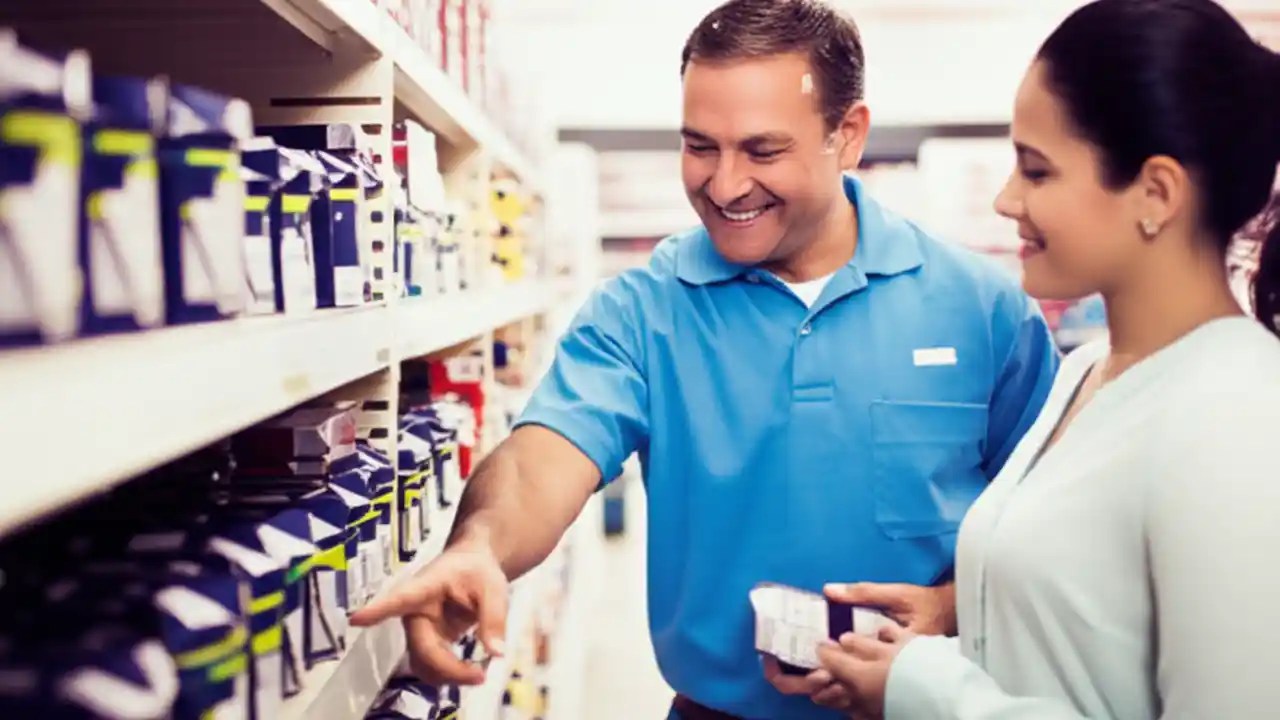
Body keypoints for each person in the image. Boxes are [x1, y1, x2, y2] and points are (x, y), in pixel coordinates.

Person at [351, 1, 1060, 718]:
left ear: (847, 137)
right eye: (700, 146)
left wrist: (948, 607)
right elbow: (541, 462)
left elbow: (1050, 528)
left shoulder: (983, 311)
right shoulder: (643, 309)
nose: (724, 186)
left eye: (762, 151)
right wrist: (479, 547)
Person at [811, 0, 1280, 718]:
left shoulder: (1237, 415)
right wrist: (949, 620)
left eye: (1037, 170)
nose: (1006, 198)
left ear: (1155, 193)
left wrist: (924, 691)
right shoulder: (1087, 372)